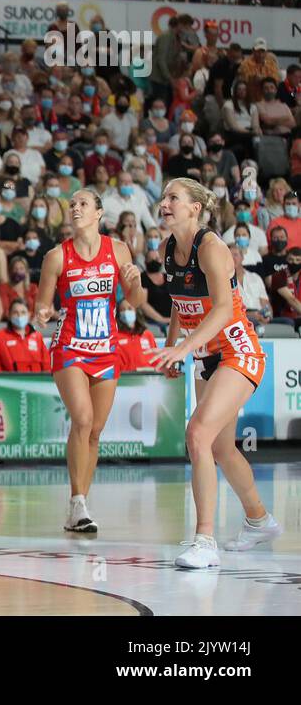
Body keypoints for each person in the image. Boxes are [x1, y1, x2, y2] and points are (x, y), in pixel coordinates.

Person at [147, 178, 280, 568]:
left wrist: (183, 348)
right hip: (206, 355)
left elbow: (223, 309)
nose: (165, 203)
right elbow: (178, 303)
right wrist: (175, 348)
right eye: (164, 197)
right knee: (220, 447)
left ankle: (205, 540)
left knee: (197, 434)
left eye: (174, 198)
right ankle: (259, 520)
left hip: (238, 350)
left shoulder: (212, 247)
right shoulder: (166, 248)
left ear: (195, 208)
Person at [35, 189, 145, 534]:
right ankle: (77, 503)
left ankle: (80, 503)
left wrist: (136, 284)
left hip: (106, 348)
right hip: (69, 346)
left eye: (83, 203)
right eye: (72, 205)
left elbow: (136, 301)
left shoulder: (118, 250)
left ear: (99, 212)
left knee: (95, 430)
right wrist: (43, 312)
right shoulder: (56, 256)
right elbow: (43, 305)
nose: (75, 208)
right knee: (82, 419)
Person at [0, 299, 50, 372]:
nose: (19, 316)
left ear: (29, 315)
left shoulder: (37, 336)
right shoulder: (0, 336)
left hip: (35, 381)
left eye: (23, 312)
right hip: (11, 381)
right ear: (9, 315)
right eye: (15, 312)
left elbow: (46, 364)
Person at [115, 300, 158, 372]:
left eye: (129, 308)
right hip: (126, 378)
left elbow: (155, 358)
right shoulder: (115, 336)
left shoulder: (148, 334)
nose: (126, 312)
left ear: (136, 311)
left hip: (148, 378)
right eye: (122, 310)